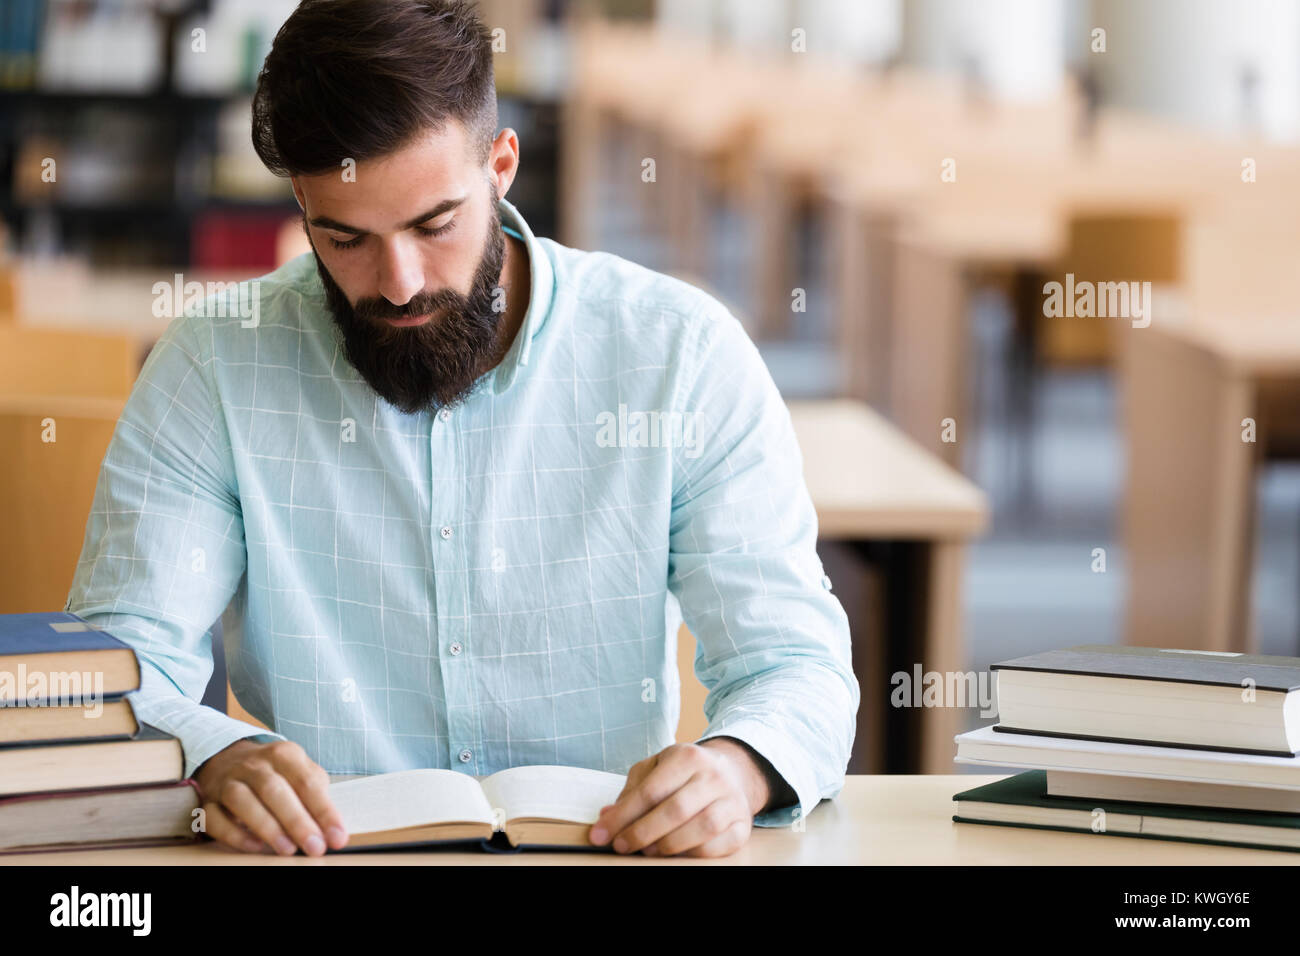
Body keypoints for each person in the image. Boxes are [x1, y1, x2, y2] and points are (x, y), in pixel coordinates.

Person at [65, 0, 858, 859]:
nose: (398, 283)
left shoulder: (679, 355)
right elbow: (116, 670)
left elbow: (796, 666)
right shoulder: (212, 367)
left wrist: (736, 770)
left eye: (434, 225)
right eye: (345, 238)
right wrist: (218, 757)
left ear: (501, 165)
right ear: (301, 204)